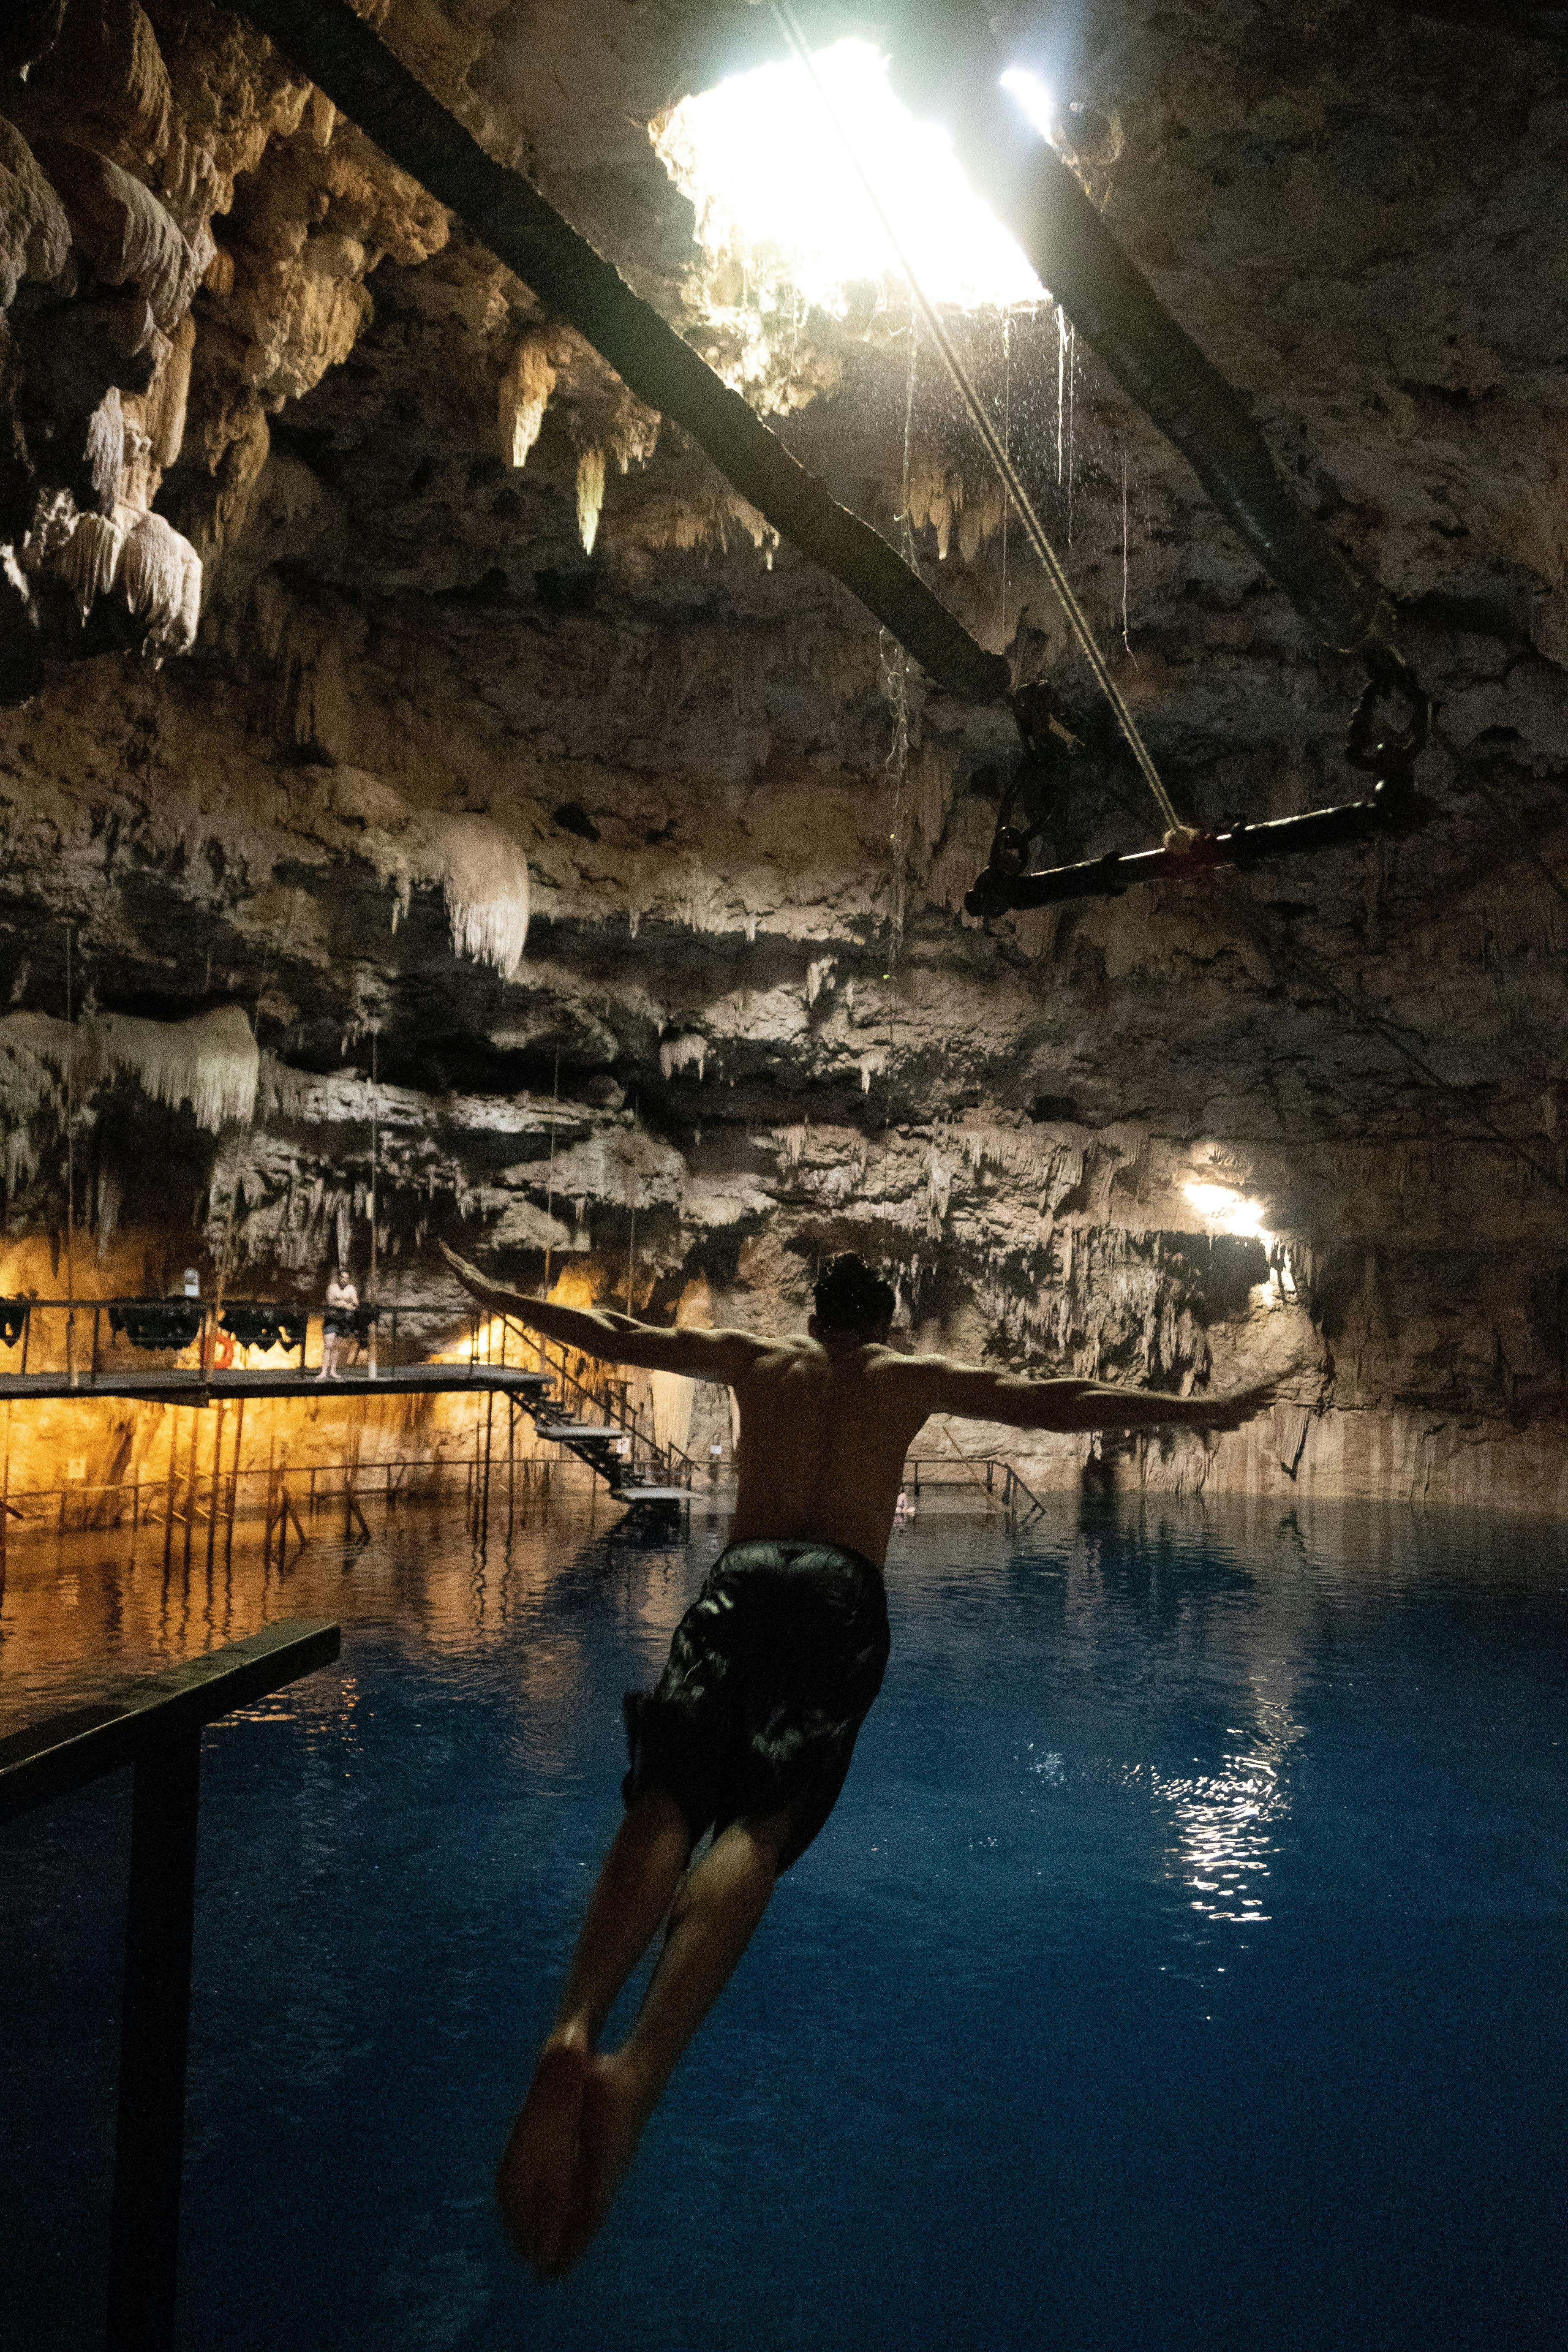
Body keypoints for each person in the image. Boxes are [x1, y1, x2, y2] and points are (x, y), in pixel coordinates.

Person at [439, 1240, 1280, 2282]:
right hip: (836, 1592)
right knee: (761, 1819)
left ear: (813, 1315)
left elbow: (621, 1334)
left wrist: (498, 1294)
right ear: (880, 1319)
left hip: (739, 1581)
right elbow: (1058, 1397)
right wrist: (1200, 1410)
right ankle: (639, 2067)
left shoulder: (757, 1360)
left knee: (668, 1791)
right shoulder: (905, 1380)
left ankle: (571, 2023)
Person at [316, 1264, 358, 1380]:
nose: (344, 1280)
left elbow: (355, 1305)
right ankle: (324, 1371)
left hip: (344, 1321)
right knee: (328, 1345)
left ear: (349, 1279)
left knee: (336, 1347)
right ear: (339, 1278)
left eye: (346, 1278)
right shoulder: (332, 1287)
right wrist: (346, 1303)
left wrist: (340, 1302)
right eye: (342, 1277)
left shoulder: (351, 1289)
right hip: (332, 1319)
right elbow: (331, 1302)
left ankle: (333, 1371)